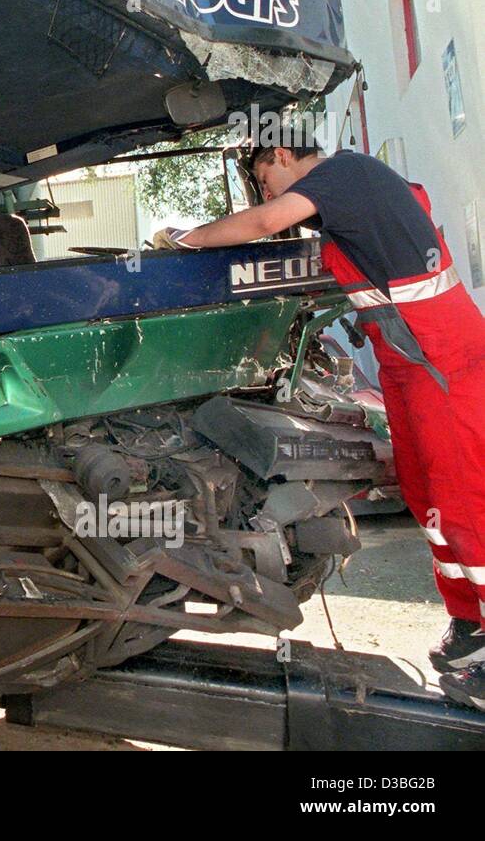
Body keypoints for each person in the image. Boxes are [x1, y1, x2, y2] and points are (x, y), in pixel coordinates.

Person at [154, 143, 485, 710]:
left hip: (445, 363)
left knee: (463, 503)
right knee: (425, 497)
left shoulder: (344, 173)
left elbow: (264, 222)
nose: (266, 195)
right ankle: (469, 625)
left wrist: (181, 240)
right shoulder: (340, 212)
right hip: (407, 369)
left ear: (284, 155)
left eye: (264, 179)